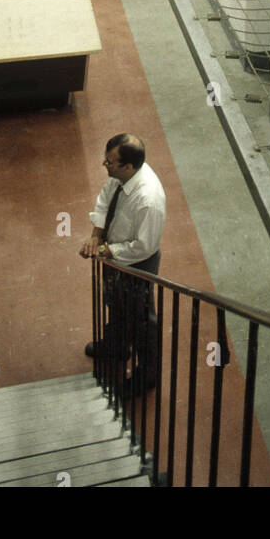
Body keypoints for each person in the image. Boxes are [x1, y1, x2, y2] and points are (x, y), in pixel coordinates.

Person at [80, 134, 166, 390]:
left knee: (141, 320)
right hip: (115, 255)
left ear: (128, 166)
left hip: (136, 263)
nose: (104, 165)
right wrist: (96, 236)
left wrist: (106, 250)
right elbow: (105, 199)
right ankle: (116, 347)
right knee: (116, 302)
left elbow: (143, 246)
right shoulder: (121, 177)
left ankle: (147, 375)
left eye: (110, 163)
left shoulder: (148, 200)